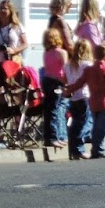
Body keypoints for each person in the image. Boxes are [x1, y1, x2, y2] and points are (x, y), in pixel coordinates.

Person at [70, 42, 105, 159]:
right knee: (103, 127)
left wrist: (69, 90)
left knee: (96, 126)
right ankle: (99, 149)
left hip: (93, 101)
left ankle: (95, 149)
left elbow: (79, 83)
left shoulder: (89, 69)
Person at [39, 27, 70, 160]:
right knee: (55, 109)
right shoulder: (61, 53)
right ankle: (54, 136)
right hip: (57, 83)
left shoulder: (46, 53)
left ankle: (51, 136)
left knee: (50, 109)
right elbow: (65, 70)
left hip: (47, 81)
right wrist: (67, 84)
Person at [65, 37, 95, 159]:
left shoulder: (68, 65)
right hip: (85, 95)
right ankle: (79, 148)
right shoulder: (87, 65)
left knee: (77, 123)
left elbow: (66, 80)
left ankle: (74, 149)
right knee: (84, 123)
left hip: (74, 97)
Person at [0, 0, 27, 69]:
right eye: (1, 8)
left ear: (11, 10)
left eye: (5, 8)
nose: (2, 10)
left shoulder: (17, 26)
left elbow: (25, 43)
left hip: (12, 62)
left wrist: (13, 50)